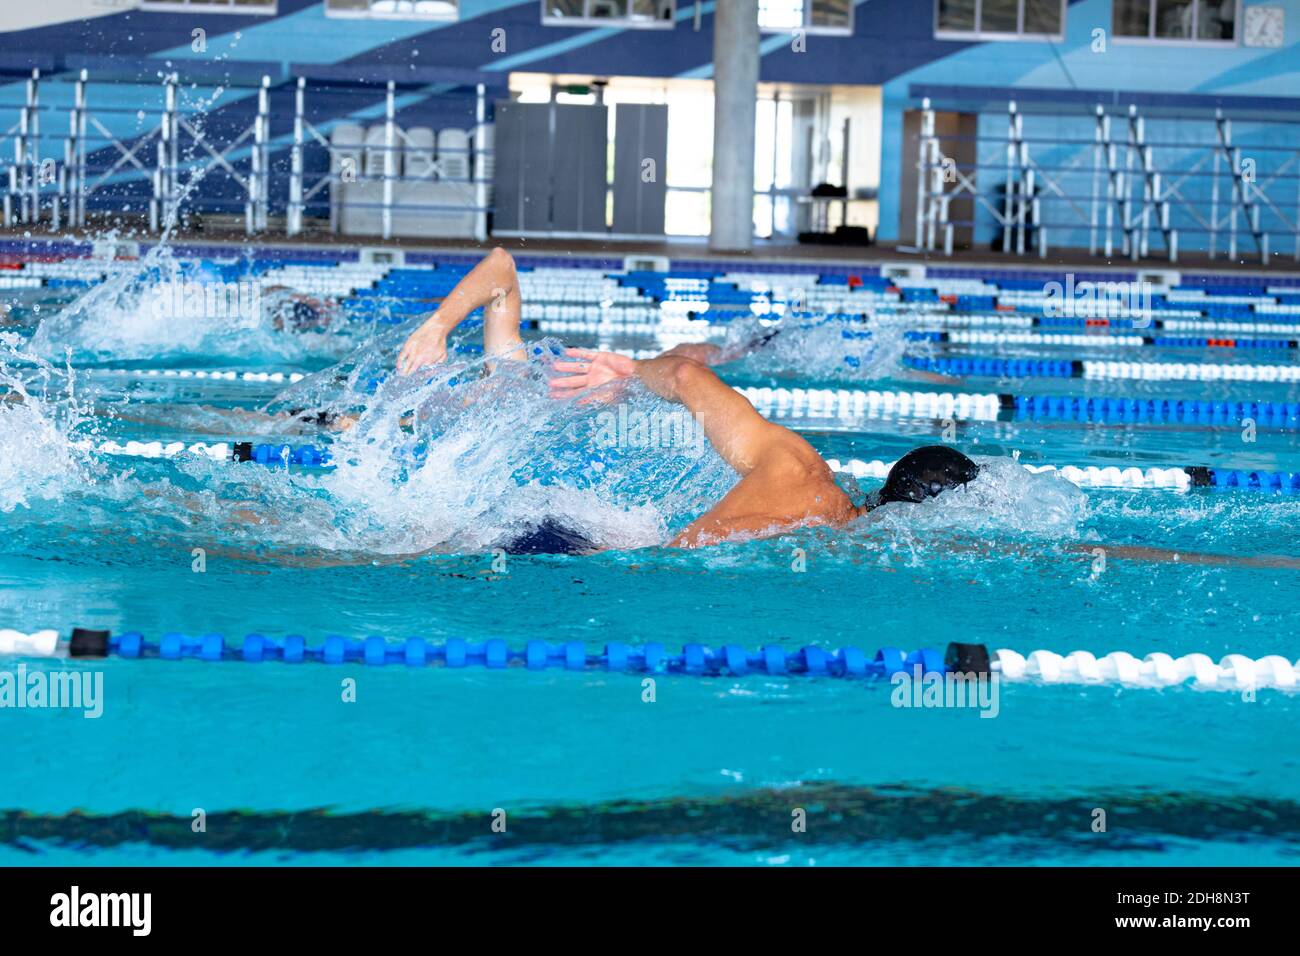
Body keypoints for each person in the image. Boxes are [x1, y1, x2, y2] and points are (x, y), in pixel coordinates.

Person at [396, 248, 979, 551]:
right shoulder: (841, 540)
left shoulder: (797, 467)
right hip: (572, 545)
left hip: (569, 531)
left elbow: (681, 373)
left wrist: (628, 369)